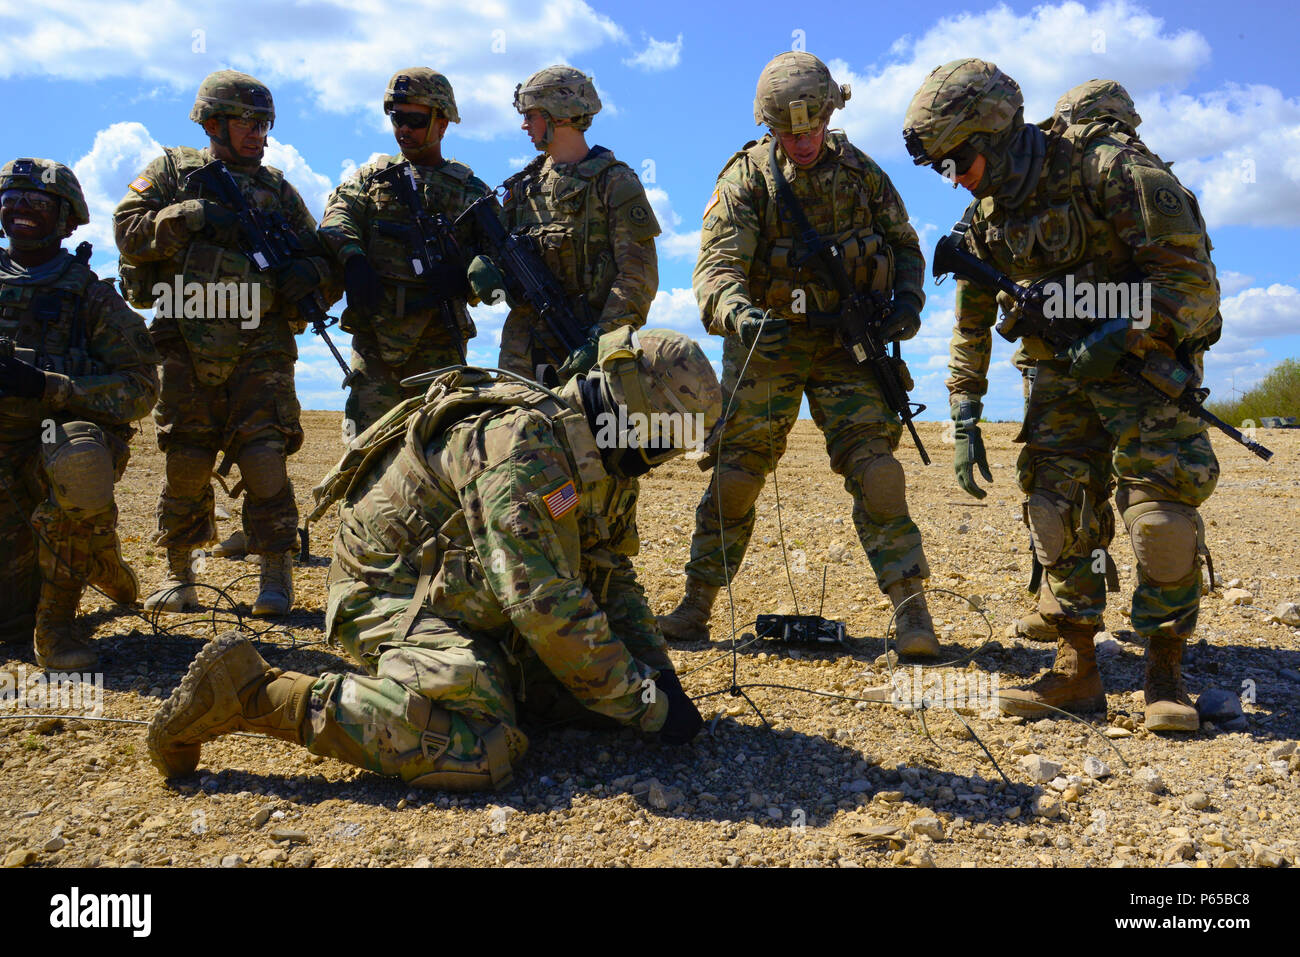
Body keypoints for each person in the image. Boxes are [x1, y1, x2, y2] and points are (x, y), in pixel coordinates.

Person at [147, 327, 720, 790]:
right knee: (480, 745)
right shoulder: (521, 451)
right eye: (667, 434)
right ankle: (251, 693)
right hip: (389, 589)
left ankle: (465, 675)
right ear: (633, 406)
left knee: (595, 698)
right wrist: (648, 704)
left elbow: (611, 575)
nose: (666, 455)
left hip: (465, 591)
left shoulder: (602, 460)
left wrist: (656, 677)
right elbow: (544, 603)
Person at [903, 59, 1221, 731]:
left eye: (959, 159)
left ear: (994, 134)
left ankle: (1165, 671)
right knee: (1053, 508)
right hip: (1058, 373)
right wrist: (963, 411)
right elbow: (970, 319)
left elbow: (1194, 287)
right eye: (943, 168)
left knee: (1159, 518)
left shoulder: (1112, 171)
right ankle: (1078, 669)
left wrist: (1122, 326)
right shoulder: (986, 216)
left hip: (1145, 367)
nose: (954, 177)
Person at [658, 51, 940, 657]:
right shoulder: (746, 179)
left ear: (831, 115)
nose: (802, 141)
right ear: (769, 126)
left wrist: (908, 302)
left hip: (849, 346)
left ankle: (913, 614)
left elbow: (906, 247)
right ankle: (696, 606)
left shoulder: (863, 175)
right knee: (736, 477)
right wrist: (742, 314)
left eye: (812, 128)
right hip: (770, 344)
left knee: (879, 473)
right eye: (789, 132)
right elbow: (715, 269)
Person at [115, 70, 338, 617]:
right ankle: (182, 574)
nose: (260, 134)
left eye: (266, 124)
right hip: (185, 337)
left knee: (264, 456)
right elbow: (126, 231)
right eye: (249, 122)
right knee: (186, 458)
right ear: (213, 122)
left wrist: (307, 275)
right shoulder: (172, 172)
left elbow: (320, 259)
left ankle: (276, 570)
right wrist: (182, 216)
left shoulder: (278, 191)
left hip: (260, 342)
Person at [0, 158, 158, 668]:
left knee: (81, 464)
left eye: (38, 202)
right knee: (7, 622)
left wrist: (50, 386)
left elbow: (139, 390)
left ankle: (58, 626)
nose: (21, 209)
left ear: (67, 220)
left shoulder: (92, 298)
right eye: (12, 198)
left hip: (52, 442)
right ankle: (102, 560)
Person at [319, 68, 490, 441]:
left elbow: (496, 259)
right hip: (375, 336)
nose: (404, 129)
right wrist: (353, 258)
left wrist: (466, 278)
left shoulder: (471, 191)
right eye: (397, 119)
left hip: (439, 338)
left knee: (440, 448)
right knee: (364, 448)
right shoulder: (370, 178)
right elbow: (336, 216)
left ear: (442, 123)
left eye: (415, 120)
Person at [469, 65, 660, 381]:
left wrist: (601, 339)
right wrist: (484, 268)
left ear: (557, 115)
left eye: (531, 115)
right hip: (521, 357)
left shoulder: (614, 183)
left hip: (590, 357)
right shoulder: (523, 187)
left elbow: (638, 276)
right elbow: (499, 256)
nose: (524, 125)